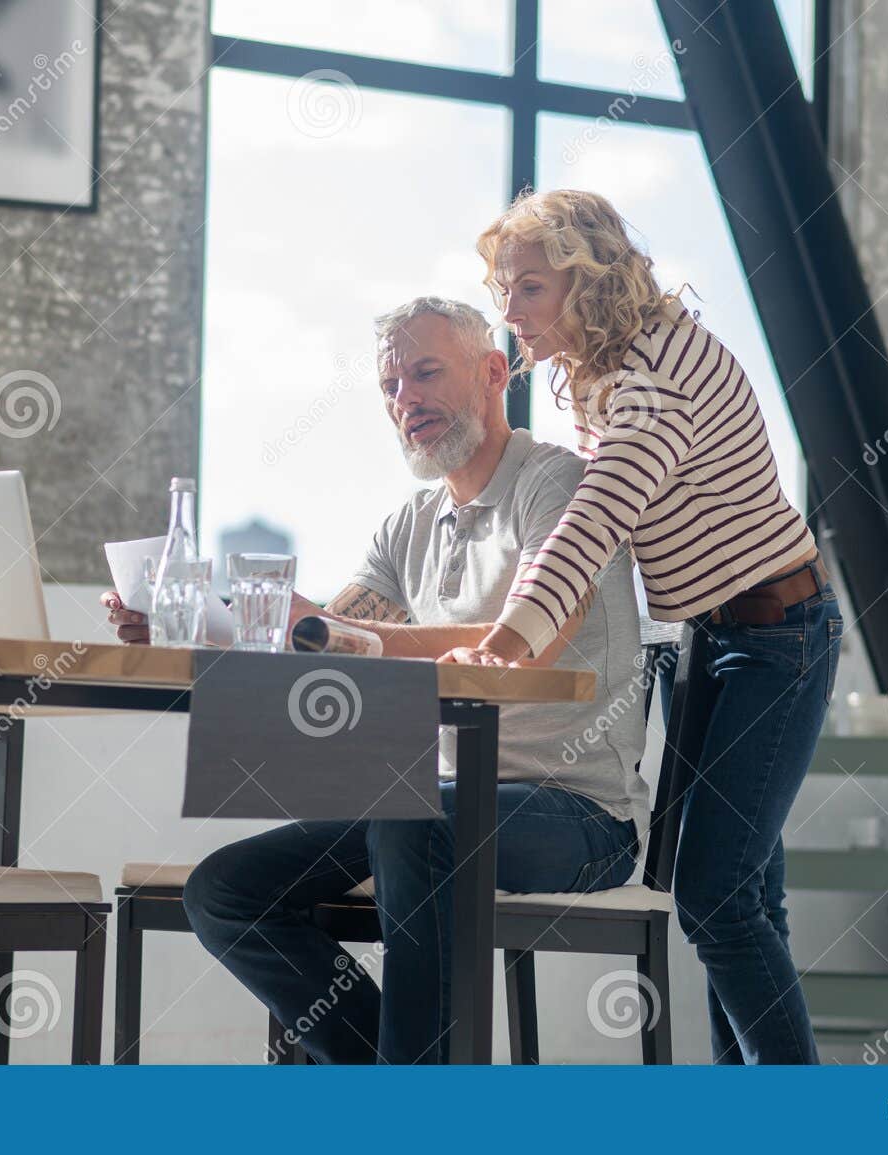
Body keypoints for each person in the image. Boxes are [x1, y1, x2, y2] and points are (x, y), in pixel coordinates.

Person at [101, 296, 650, 1064]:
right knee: (225, 891)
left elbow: (517, 643)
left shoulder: (555, 488)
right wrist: (187, 621)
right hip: (437, 811)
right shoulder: (410, 525)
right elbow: (331, 636)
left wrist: (329, 630)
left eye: (426, 372)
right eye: (392, 386)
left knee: (409, 822)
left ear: (494, 372)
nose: (407, 400)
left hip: (578, 818)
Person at [440, 190, 842, 1065]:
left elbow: (594, 521)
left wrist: (506, 644)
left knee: (715, 897)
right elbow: (594, 529)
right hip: (717, 639)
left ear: (588, 281)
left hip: (782, 636)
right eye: (504, 290)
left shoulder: (653, 381)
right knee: (744, 901)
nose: (509, 313)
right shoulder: (601, 369)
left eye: (531, 289)